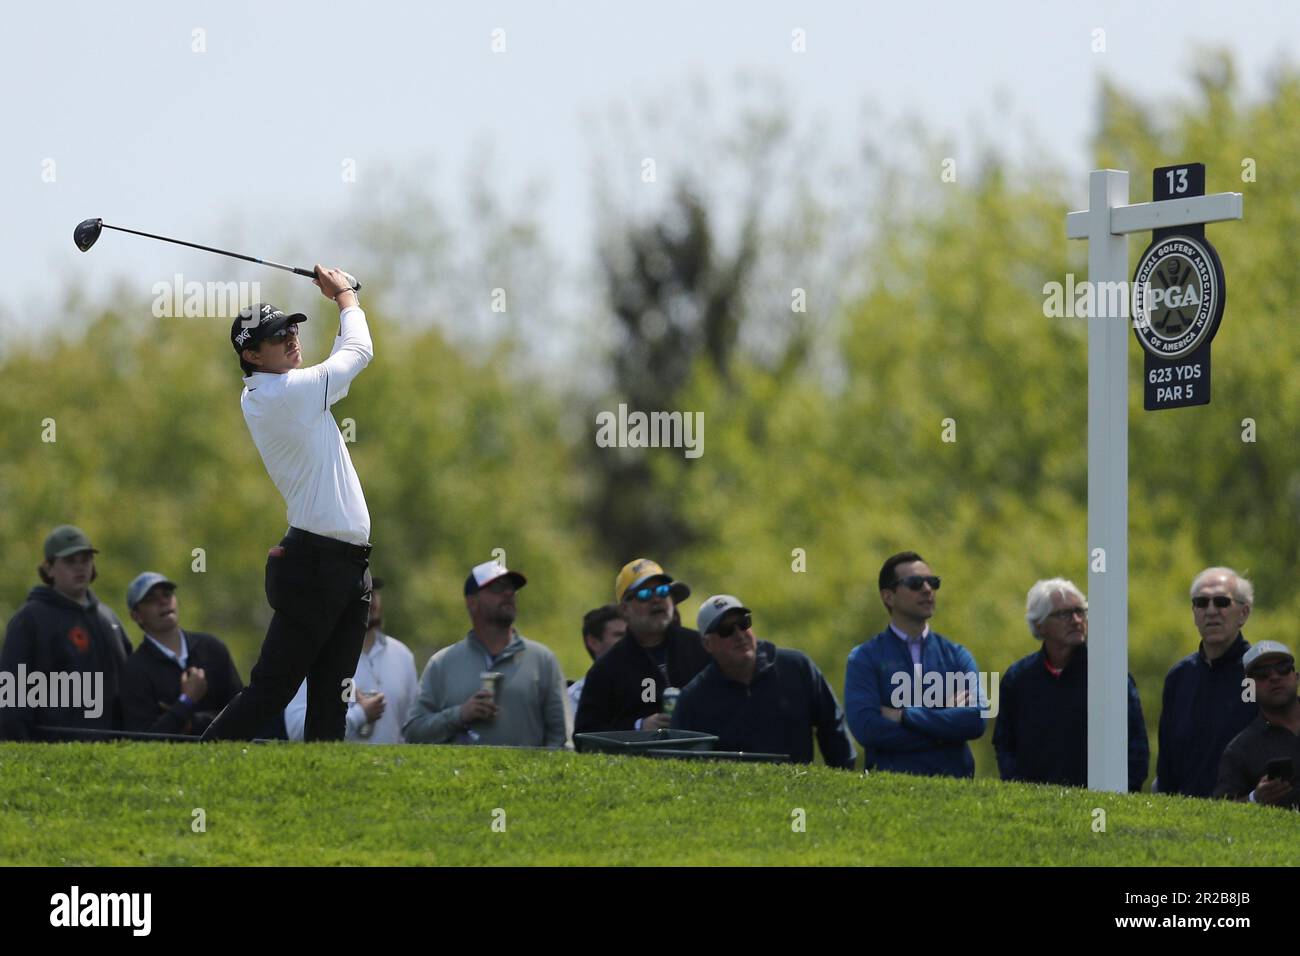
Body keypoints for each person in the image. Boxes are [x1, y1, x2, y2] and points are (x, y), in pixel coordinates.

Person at [202, 272, 375, 742]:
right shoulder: (284, 394)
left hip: (348, 567)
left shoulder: (280, 392)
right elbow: (358, 354)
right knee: (273, 689)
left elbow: (343, 361)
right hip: (316, 565)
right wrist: (345, 297)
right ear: (252, 355)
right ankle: (200, 763)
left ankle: (323, 800)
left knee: (331, 700)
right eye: (278, 336)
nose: (291, 338)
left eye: (293, 329)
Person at [994, 578, 1148, 790]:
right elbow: (1004, 743)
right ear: (1040, 624)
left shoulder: (1109, 676)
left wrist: (1120, 795)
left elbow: (1136, 746)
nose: (1076, 620)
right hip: (1033, 808)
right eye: (1064, 614)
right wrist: (1019, 789)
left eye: (1080, 611)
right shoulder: (1018, 678)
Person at [671, 595, 856, 768]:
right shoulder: (693, 699)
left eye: (743, 623)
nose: (739, 634)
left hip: (798, 791)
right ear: (707, 644)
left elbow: (832, 726)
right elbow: (682, 765)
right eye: (726, 629)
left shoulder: (797, 667)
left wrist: (844, 774)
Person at [843, 551, 984, 777]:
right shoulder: (863, 657)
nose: (927, 589)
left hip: (956, 791)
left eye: (933, 582)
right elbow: (867, 729)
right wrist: (945, 726)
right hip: (890, 792)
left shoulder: (958, 656)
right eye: (915, 583)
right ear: (889, 597)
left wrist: (904, 716)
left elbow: (976, 721)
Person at [404, 561, 569, 748]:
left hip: (524, 778)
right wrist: (459, 715)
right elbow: (413, 732)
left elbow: (562, 739)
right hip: (459, 777)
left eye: (512, 589)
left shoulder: (542, 660)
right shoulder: (442, 663)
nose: (508, 594)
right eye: (497, 588)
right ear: (472, 602)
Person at [1, 525, 134, 740]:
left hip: (113, 753)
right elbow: (11, 699)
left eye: (85, 559)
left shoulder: (109, 619)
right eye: (70, 561)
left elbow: (131, 691)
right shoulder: (30, 620)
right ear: (49, 568)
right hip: (53, 757)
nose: (80, 567)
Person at [573, 558, 709, 734]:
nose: (656, 600)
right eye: (644, 594)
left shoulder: (701, 646)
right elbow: (585, 734)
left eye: (662, 591)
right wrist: (638, 727)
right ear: (624, 610)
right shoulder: (607, 669)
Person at [1156, 567, 1258, 797]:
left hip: (1245, 813)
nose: (1211, 611)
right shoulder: (1179, 677)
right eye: (1201, 603)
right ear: (1194, 613)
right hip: (1185, 814)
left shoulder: (1261, 672)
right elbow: (1167, 759)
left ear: (1243, 613)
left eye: (1222, 602)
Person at [284, 578, 419, 742]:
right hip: (338, 767)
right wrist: (360, 714)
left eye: (373, 591)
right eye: (361, 592)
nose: (370, 597)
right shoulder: (317, 655)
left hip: (389, 768)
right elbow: (296, 730)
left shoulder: (402, 655)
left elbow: (412, 731)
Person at [120, 572, 243, 736]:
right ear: (136, 616)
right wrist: (186, 701)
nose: (163, 601)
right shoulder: (134, 670)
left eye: (167, 594)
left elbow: (242, 712)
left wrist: (190, 723)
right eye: (150, 599)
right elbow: (144, 740)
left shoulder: (212, 648)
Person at [1212, 641, 1300, 809]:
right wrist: (1255, 798)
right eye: (1262, 673)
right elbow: (1220, 809)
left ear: (1296, 677)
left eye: (1283, 667)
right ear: (1249, 688)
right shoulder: (1240, 750)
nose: (1274, 677)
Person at [568, 605, 626, 715]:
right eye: (619, 635)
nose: (629, 641)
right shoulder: (574, 700)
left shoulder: (648, 687)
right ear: (593, 642)